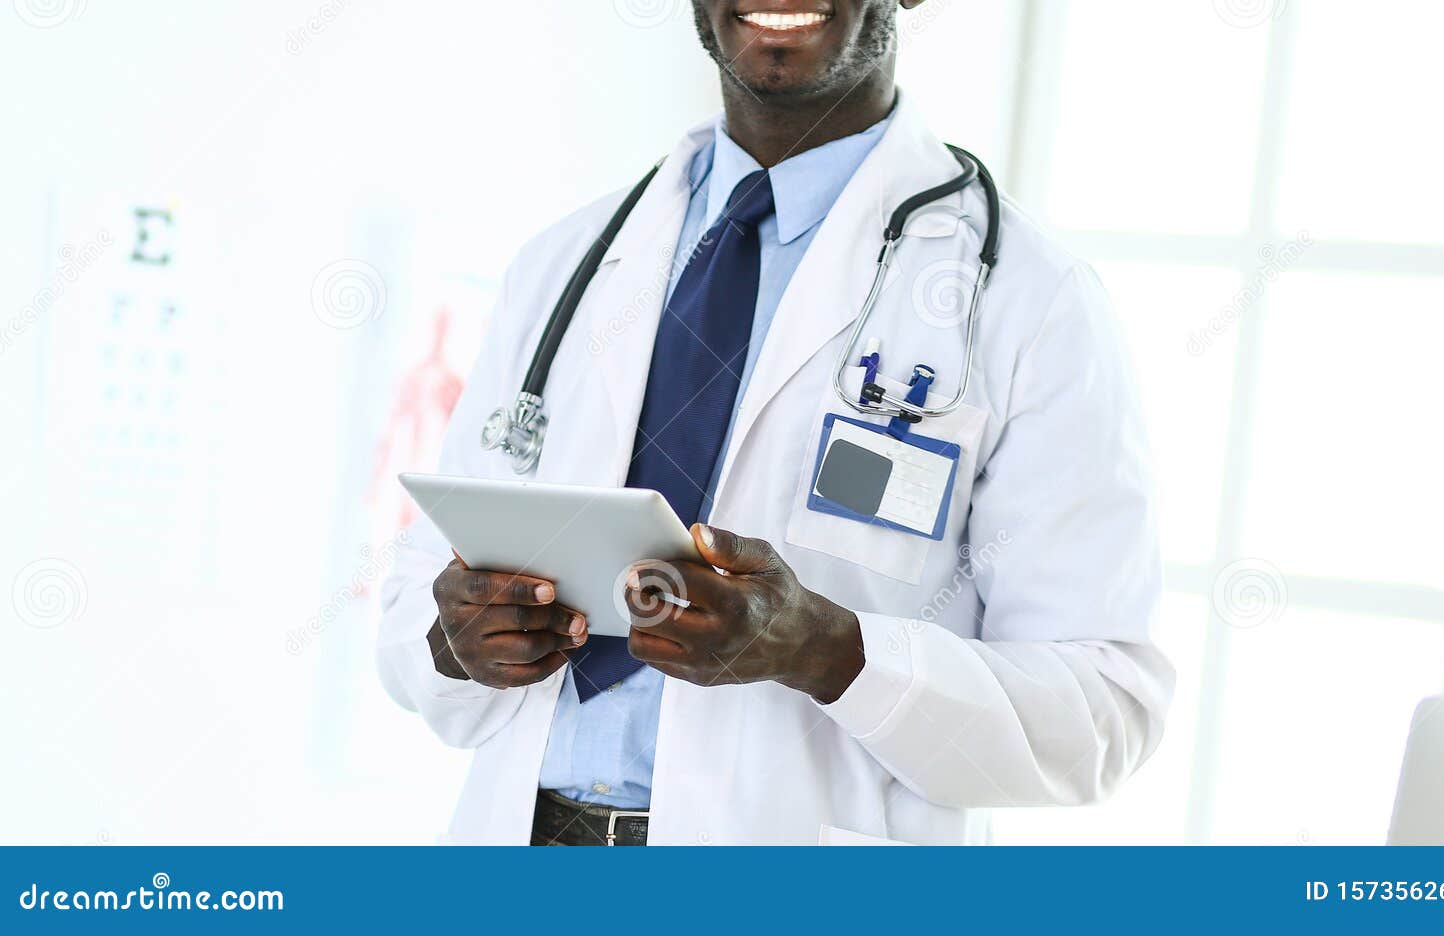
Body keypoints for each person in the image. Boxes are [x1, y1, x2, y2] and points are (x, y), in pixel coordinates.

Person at [378, 0, 1172, 845]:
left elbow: (1102, 718)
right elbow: (410, 607)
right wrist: (459, 638)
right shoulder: (563, 264)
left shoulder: (1031, 302)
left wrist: (831, 653)